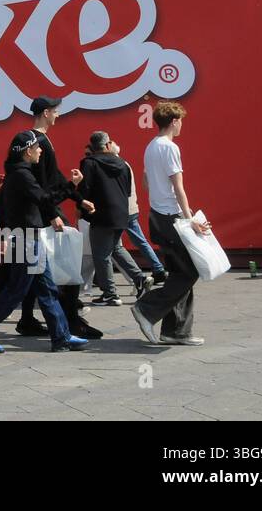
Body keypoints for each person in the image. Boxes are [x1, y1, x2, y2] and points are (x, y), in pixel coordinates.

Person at [0, 96, 95, 337]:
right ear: (45, 113)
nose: (58, 115)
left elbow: (51, 178)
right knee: (33, 273)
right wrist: (54, 213)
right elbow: (40, 187)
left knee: (31, 275)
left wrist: (77, 197)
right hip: (37, 214)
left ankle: (44, 324)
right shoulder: (35, 141)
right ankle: (66, 321)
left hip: (36, 214)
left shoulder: (38, 142)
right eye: (55, 111)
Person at [0, 131, 89, 353]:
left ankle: (61, 336)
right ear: (27, 152)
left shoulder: (20, 173)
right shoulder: (22, 176)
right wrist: (71, 186)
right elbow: (44, 199)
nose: (41, 150)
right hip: (26, 242)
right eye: (37, 148)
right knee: (17, 291)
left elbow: (40, 198)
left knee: (47, 290)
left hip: (30, 240)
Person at [131, 102, 209, 346]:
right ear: (174, 121)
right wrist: (190, 220)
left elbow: (146, 182)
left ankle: (175, 331)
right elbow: (179, 187)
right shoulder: (170, 147)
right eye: (181, 120)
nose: (182, 125)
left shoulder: (151, 146)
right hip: (171, 217)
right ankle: (146, 308)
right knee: (189, 272)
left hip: (157, 215)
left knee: (179, 272)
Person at [79, 132, 151, 305]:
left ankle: (110, 294)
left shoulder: (89, 163)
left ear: (92, 147)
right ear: (108, 145)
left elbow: (85, 189)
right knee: (116, 249)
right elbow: (127, 190)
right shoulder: (122, 163)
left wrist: (82, 206)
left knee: (101, 255)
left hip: (101, 214)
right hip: (121, 214)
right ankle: (139, 278)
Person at [121, 158, 166, 284]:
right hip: (129, 209)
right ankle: (157, 269)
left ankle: (140, 277)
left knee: (113, 247)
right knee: (139, 241)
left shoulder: (116, 165)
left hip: (123, 210)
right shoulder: (124, 164)